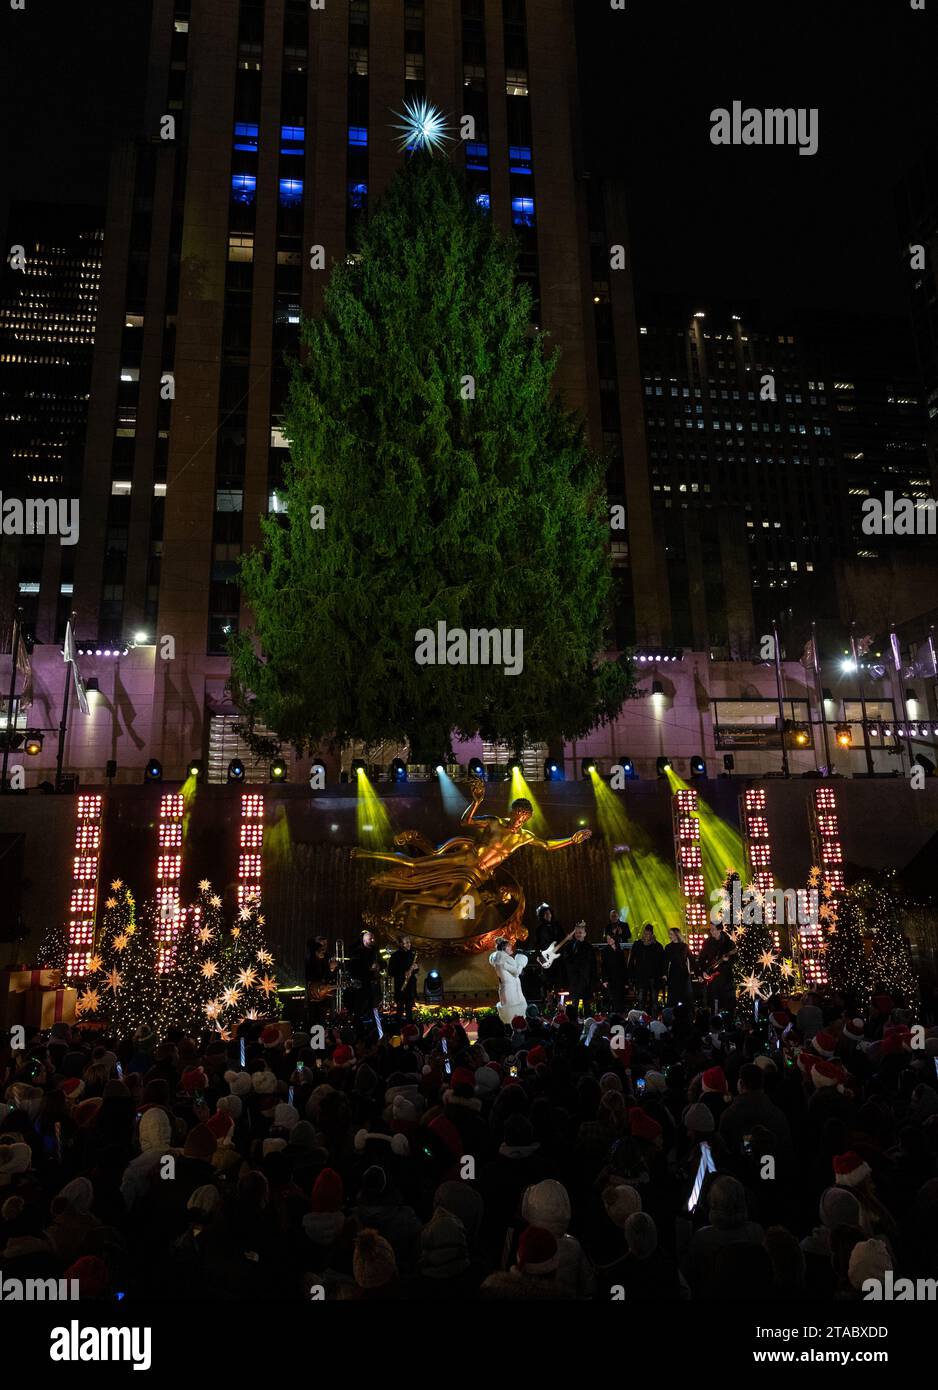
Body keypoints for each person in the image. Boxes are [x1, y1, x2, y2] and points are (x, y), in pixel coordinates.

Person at [696, 919, 737, 1013]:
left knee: (727, 1003)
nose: (711, 931)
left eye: (713, 929)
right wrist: (703, 971)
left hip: (726, 977)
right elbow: (701, 959)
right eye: (710, 929)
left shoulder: (728, 943)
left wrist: (728, 959)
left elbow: (735, 958)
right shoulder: (707, 942)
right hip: (712, 978)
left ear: (720, 930)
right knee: (713, 1002)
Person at [561, 923, 598, 1018]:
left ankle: (587, 1025)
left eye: (580, 932)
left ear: (585, 934)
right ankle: (573, 1024)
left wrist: (593, 981)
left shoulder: (589, 947)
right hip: (573, 981)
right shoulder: (569, 946)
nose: (578, 934)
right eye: (577, 932)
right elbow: (566, 962)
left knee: (587, 1007)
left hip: (586, 981)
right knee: (574, 1006)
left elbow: (593, 966)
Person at [489, 937, 529, 1026]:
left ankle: (509, 1029)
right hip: (511, 990)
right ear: (505, 948)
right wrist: (521, 962)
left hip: (504, 988)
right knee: (514, 1014)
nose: (511, 948)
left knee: (508, 1014)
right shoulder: (506, 959)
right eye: (510, 946)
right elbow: (517, 972)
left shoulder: (497, 959)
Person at [630, 924, 665, 1011]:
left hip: (654, 976)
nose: (646, 935)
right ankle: (641, 1020)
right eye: (644, 933)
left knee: (654, 1001)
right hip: (641, 976)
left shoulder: (658, 946)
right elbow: (631, 960)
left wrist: (663, 974)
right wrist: (631, 975)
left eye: (648, 933)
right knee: (641, 1000)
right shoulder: (637, 945)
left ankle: (654, 1021)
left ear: (652, 934)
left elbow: (662, 962)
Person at [349, 929, 380, 1025]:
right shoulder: (357, 952)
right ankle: (358, 1028)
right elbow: (354, 969)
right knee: (360, 1008)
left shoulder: (375, 950)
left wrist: (379, 965)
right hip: (362, 984)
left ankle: (373, 1026)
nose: (373, 940)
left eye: (373, 938)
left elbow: (383, 962)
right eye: (371, 939)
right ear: (364, 940)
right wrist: (369, 969)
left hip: (373, 983)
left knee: (374, 1006)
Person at [601, 919, 628, 1014]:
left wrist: (626, 981)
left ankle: (620, 1017)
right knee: (612, 1000)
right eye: (607, 939)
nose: (608, 940)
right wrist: (604, 980)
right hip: (610, 980)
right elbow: (603, 966)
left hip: (619, 980)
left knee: (620, 1000)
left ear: (614, 938)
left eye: (610, 938)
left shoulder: (620, 951)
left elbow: (624, 967)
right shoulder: (605, 951)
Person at [387, 935, 417, 1021]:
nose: (409, 944)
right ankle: (398, 1029)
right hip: (400, 986)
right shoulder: (395, 956)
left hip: (410, 985)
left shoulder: (412, 954)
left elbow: (415, 970)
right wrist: (403, 973)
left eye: (409, 942)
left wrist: (415, 968)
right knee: (399, 1009)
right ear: (401, 944)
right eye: (406, 943)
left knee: (409, 1010)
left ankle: (410, 1030)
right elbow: (391, 972)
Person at [664, 927, 692, 1008]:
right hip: (673, 974)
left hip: (683, 974)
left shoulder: (685, 947)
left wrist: (698, 974)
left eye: (671, 934)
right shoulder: (668, 947)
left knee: (684, 996)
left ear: (677, 935)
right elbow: (665, 962)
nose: (669, 936)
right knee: (673, 997)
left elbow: (692, 960)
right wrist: (665, 974)